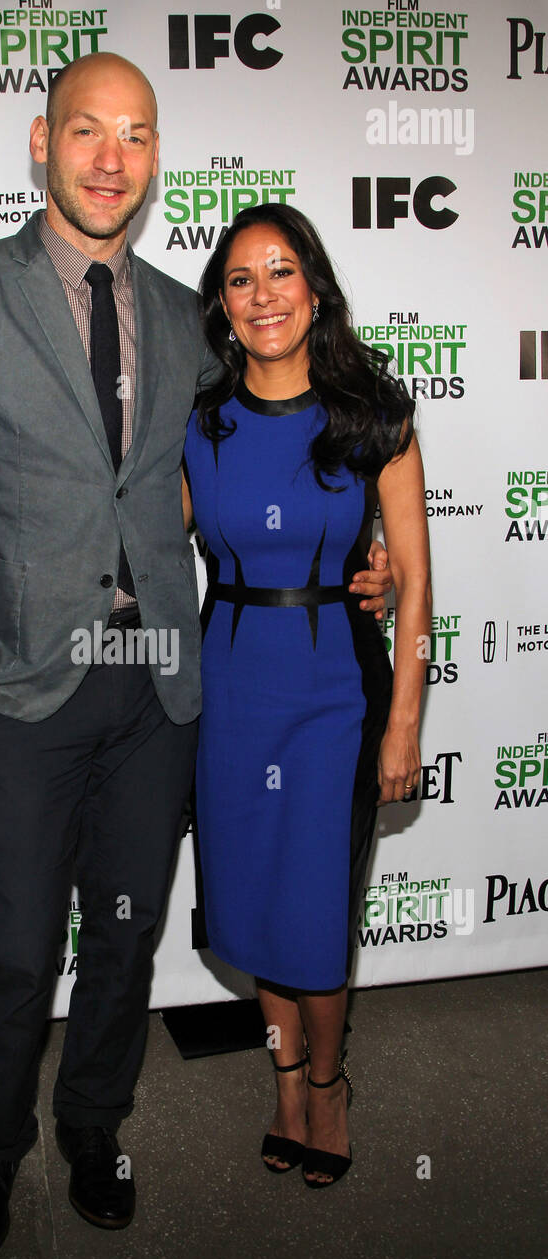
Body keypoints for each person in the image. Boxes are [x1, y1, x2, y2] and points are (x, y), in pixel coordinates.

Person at [0, 52, 393, 1259]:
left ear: (157, 157)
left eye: (139, 135)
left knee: (123, 931)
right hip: (12, 687)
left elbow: (277, 444)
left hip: (162, 684)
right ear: (40, 142)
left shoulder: (181, 316)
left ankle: (93, 1126)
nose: (113, 158)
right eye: (89, 132)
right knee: (10, 947)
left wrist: (369, 556)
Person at [182, 204, 431, 1188]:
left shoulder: (373, 414)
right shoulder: (199, 423)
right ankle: (283, 1075)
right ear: (222, 306)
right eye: (241, 280)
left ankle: (327, 1083)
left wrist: (404, 716)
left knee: (316, 907)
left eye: (280, 273)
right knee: (251, 901)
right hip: (232, 685)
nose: (263, 295)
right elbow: (152, 547)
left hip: (338, 689)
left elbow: (411, 577)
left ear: (315, 287)